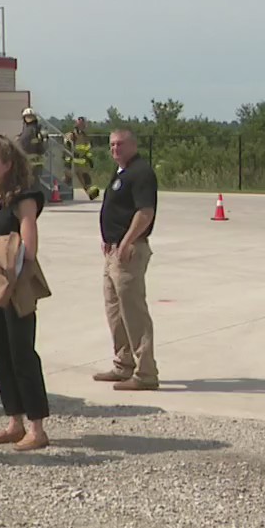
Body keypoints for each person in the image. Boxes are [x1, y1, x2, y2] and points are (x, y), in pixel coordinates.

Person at [0, 138, 52, 451]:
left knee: (22, 353)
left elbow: (28, 249)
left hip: (17, 286)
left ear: (8, 165)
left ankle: (37, 427)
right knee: (0, 351)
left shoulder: (24, 198)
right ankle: (14, 421)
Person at [95, 129, 159, 391]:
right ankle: (123, 364)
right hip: (112, 252)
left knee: (133, 312)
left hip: (129, 252)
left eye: (120, 144)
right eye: (111, 145)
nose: (115, 149)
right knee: (115, 311)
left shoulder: (141, 172)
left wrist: (127, 241)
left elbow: (145, 212)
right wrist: (108, 238)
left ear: (133, 145)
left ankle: (146, 373)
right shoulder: (121, 172)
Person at [65, 117, 99, 200]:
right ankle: (58, 191)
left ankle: (91, 194)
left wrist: (89, 159)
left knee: (86, 179)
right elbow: (66, 146)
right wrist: (68, 160)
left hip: (82, 163)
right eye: (80, 124)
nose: (82, 126)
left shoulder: (84, 136)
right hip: (72, 162)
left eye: (83, 124)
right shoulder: (71, 135)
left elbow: (87, 148)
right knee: (67, 179)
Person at [18, 109, 47, 183]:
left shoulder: (30, 130)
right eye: (27, 116)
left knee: (30, 182)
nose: (29, 119)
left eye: (30, 116)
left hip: (30, 162)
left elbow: (23, 144)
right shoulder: (33, 129)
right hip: (34, 162)